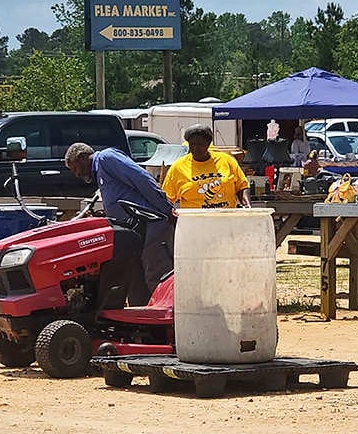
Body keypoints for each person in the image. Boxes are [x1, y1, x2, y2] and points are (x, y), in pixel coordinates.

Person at [64, 143, 174, 305]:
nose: (77, 174)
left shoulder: (107, 158)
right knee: (136, 280)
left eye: (75, 168)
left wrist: (167, 209)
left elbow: (142, 179)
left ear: (82, 157)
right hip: (134, 234)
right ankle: (141, 317)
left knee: (156, 273)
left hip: (151, 224)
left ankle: (169, 313)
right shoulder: (100, 172)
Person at [162, 124, 251, 209]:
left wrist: (247, 205)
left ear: (208, 144)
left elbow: (242, 186)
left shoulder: (226, 161)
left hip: (226, 217)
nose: (196, 148)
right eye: (192, 144)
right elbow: (167, 198)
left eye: (200, 144)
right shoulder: (178, 167)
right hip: (193, 218)